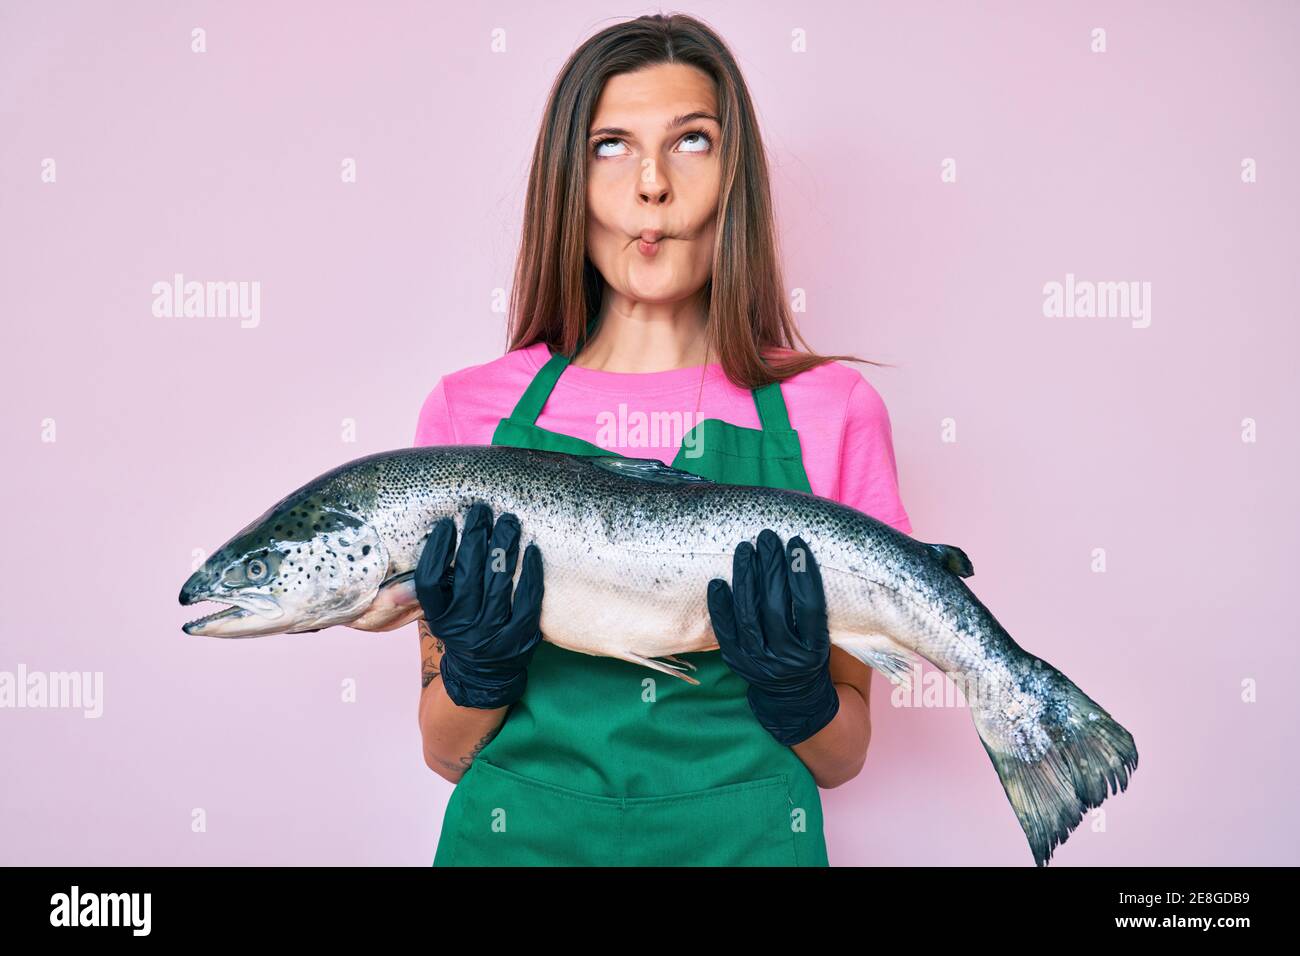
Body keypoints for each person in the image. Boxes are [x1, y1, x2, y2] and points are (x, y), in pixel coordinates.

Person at [411, 13, 912, 867]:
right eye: (611, 145)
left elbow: (844, 758)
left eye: (691, 142)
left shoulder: (833, 410)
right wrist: (476, 673)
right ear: (569, 180)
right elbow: (445, 750)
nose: (652, 185)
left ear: (734, 177)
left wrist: (800, 698)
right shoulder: (468, 415)